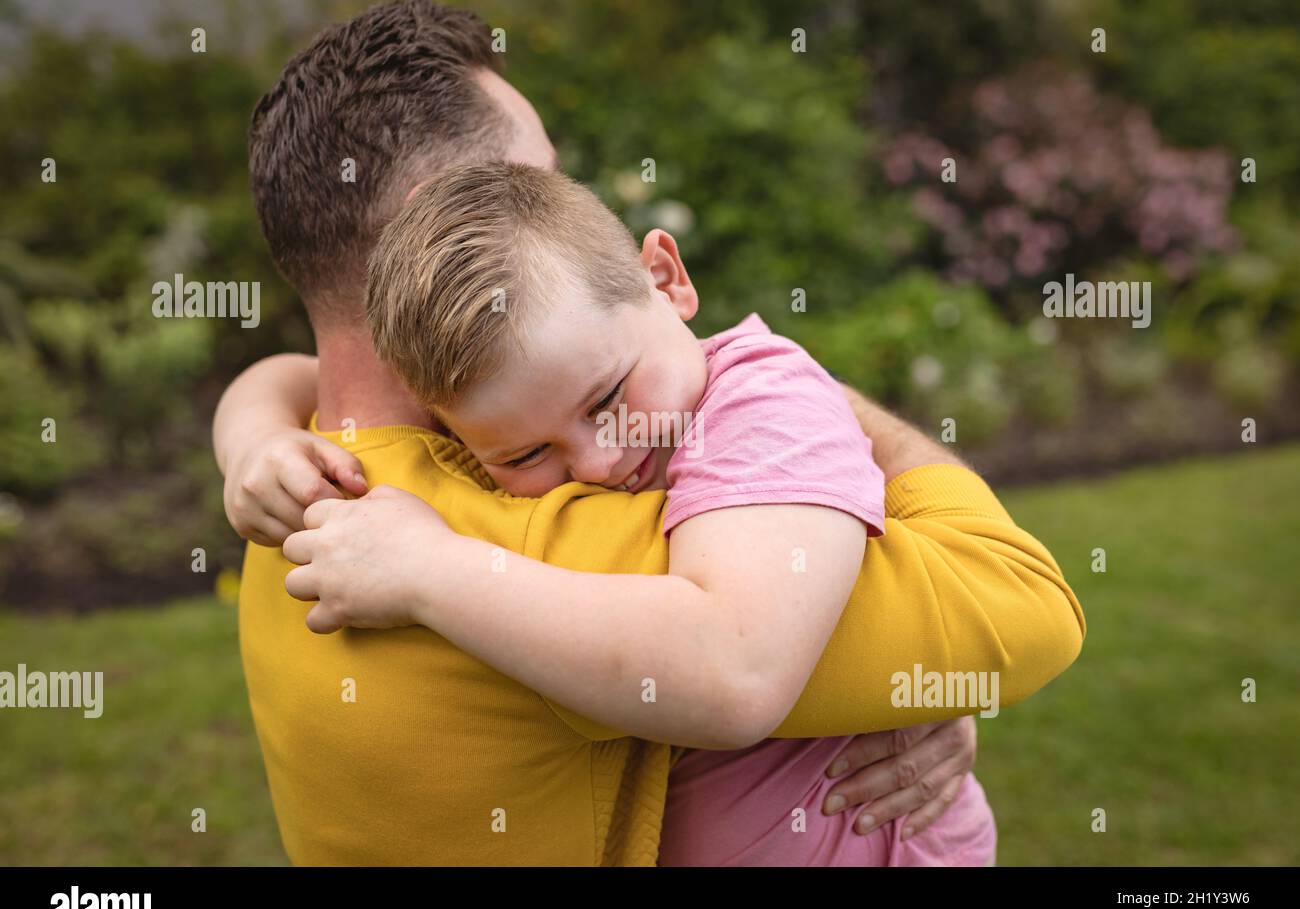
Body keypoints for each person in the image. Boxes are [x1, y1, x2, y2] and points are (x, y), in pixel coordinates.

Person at [216, 1, 1084, 865]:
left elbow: (288, 375)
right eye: (541, 183)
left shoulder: (298, 492)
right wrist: (923, 680)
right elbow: (1022, 603)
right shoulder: (516, 552)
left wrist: (250, 431)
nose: (597, 460)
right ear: (442, 232)